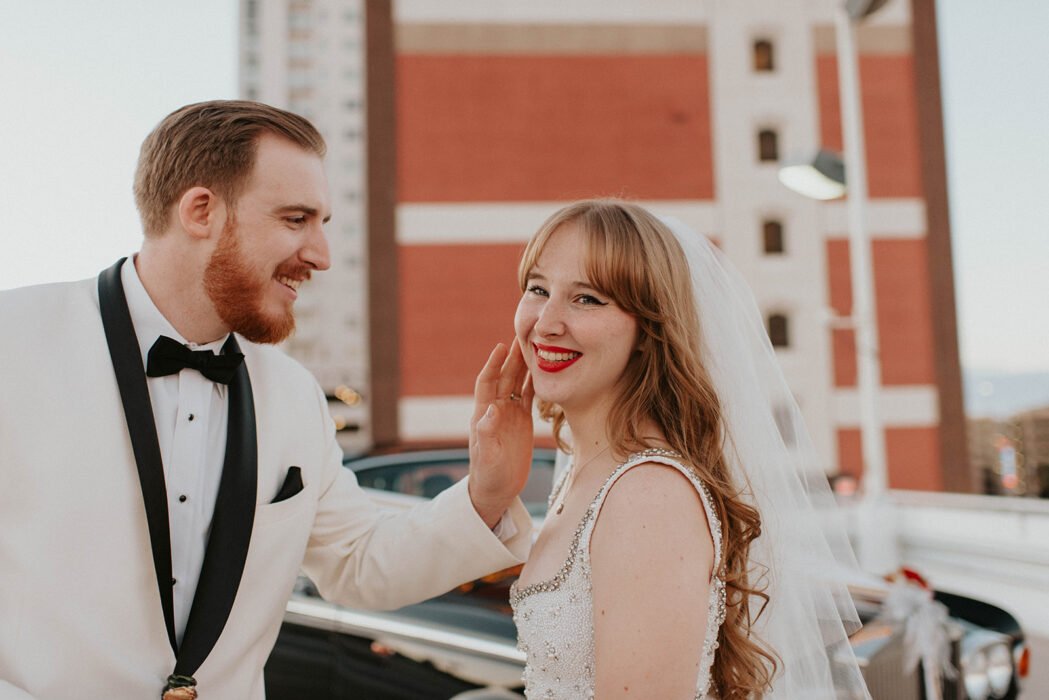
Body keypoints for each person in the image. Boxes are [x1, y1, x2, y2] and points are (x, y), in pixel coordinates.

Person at [0, 100, 536, 700]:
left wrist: (487, 490)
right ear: (201, 210)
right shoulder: (11, 342)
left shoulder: (293, 395)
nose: (321, 255)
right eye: (296, 219)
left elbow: (358, 563)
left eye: (323, 223)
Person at [504, 199, 870, 698]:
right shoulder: (587, 470)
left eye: (586, 299)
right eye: (538, 289)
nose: (545, 321)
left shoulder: (647, 495)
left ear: (646, 327)